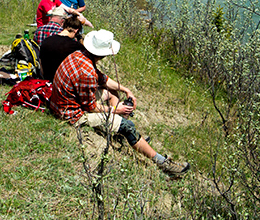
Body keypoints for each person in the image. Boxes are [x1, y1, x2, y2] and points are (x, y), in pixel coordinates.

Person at [48, 29, 189, 178]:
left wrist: (126, 90)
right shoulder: (87, 73)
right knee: (128, 126)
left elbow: (102, 79)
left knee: (112, 92)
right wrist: (117, 110)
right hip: (72, 115)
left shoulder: (79, 55)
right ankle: (164, 164)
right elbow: (91, 107)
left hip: (64, 103)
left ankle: (122, 131)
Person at [38, 15, 85, 81]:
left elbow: (41, 64)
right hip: (64, 83)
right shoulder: (75, 46)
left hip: (46, 81)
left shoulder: (46, 41)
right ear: (76, 31)